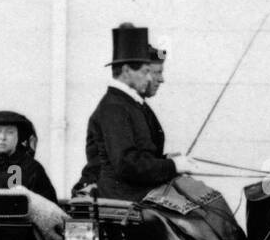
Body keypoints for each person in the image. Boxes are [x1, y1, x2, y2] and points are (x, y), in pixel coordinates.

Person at [72, 23, 196, 200]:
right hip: (125, 199)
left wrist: (167, 160)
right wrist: (172, 166)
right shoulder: (113, 108)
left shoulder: (129, 104)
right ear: (126, 70)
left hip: (135, 192)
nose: (151, 78)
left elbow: (137, 154)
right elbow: (126, 164)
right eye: (147, 72)